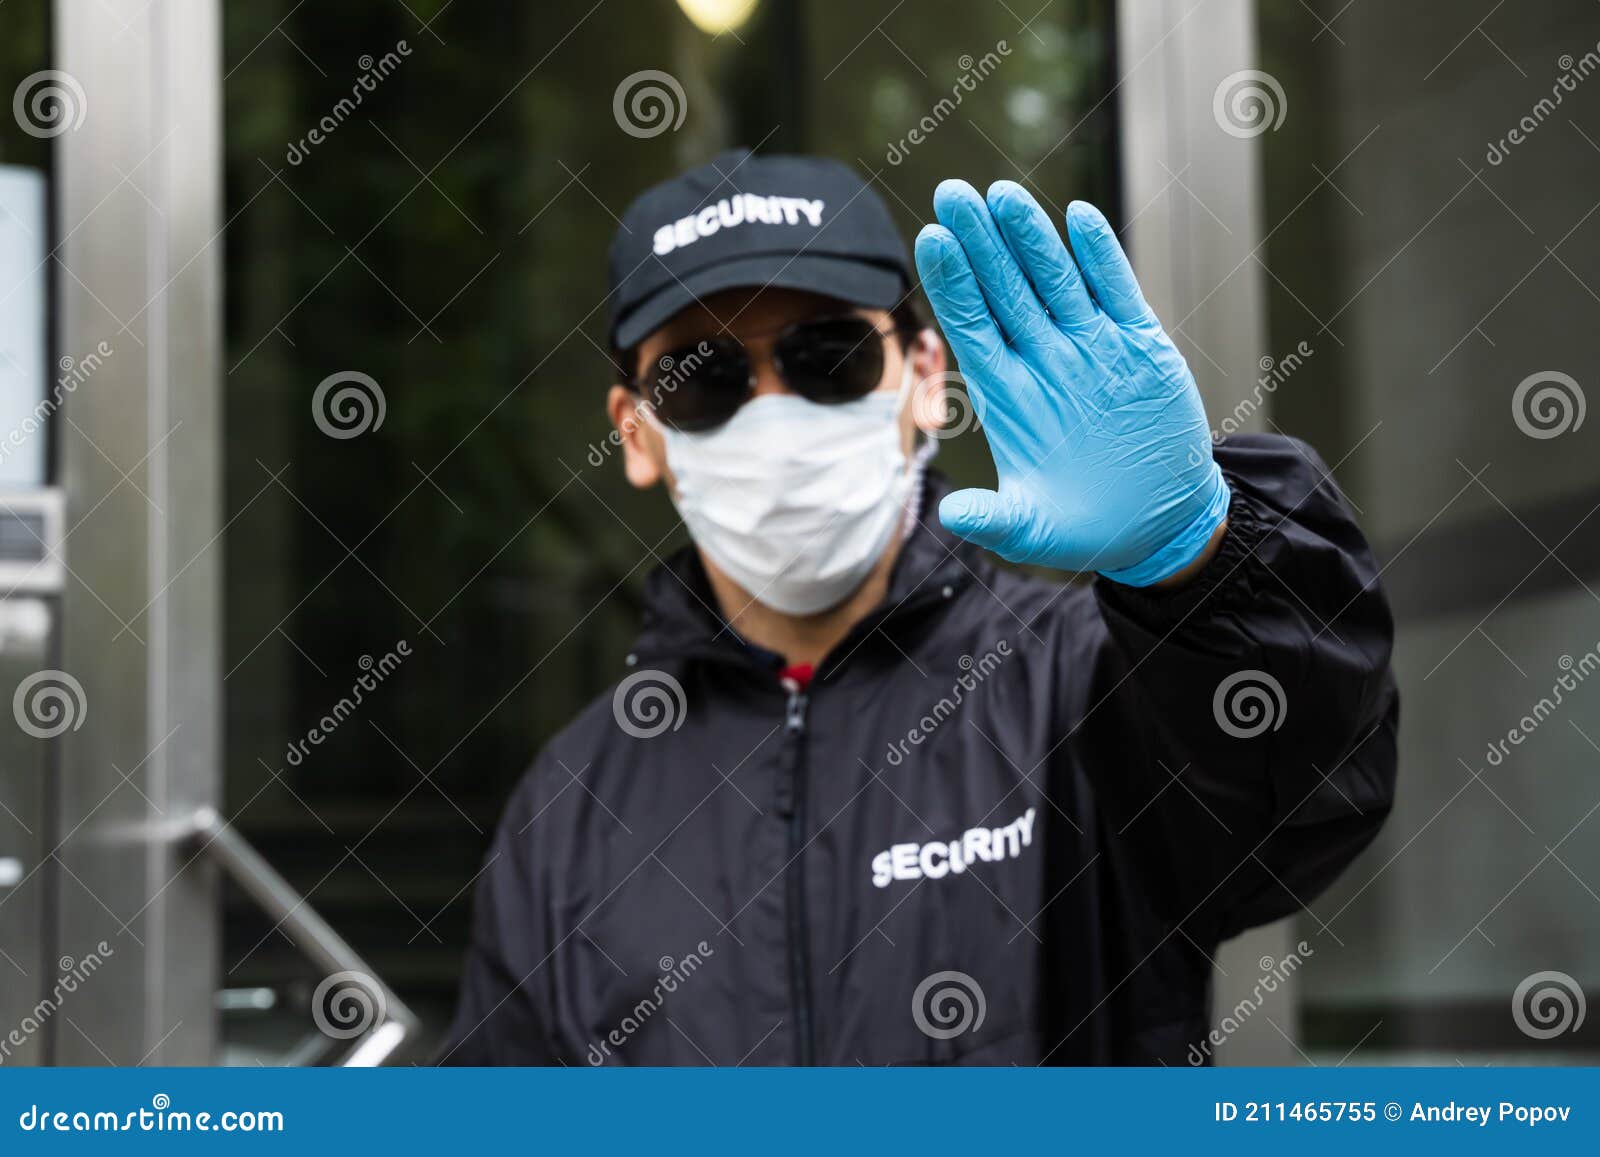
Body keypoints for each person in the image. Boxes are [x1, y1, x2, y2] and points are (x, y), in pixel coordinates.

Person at [438, 150, 1398, 1065]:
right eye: (705, 378)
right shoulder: (570, 805)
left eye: (829, 356)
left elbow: (1302, 803)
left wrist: (1197, 560)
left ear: (925, 379)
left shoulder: (1088, 679)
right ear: (637, 434)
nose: (773, 410)